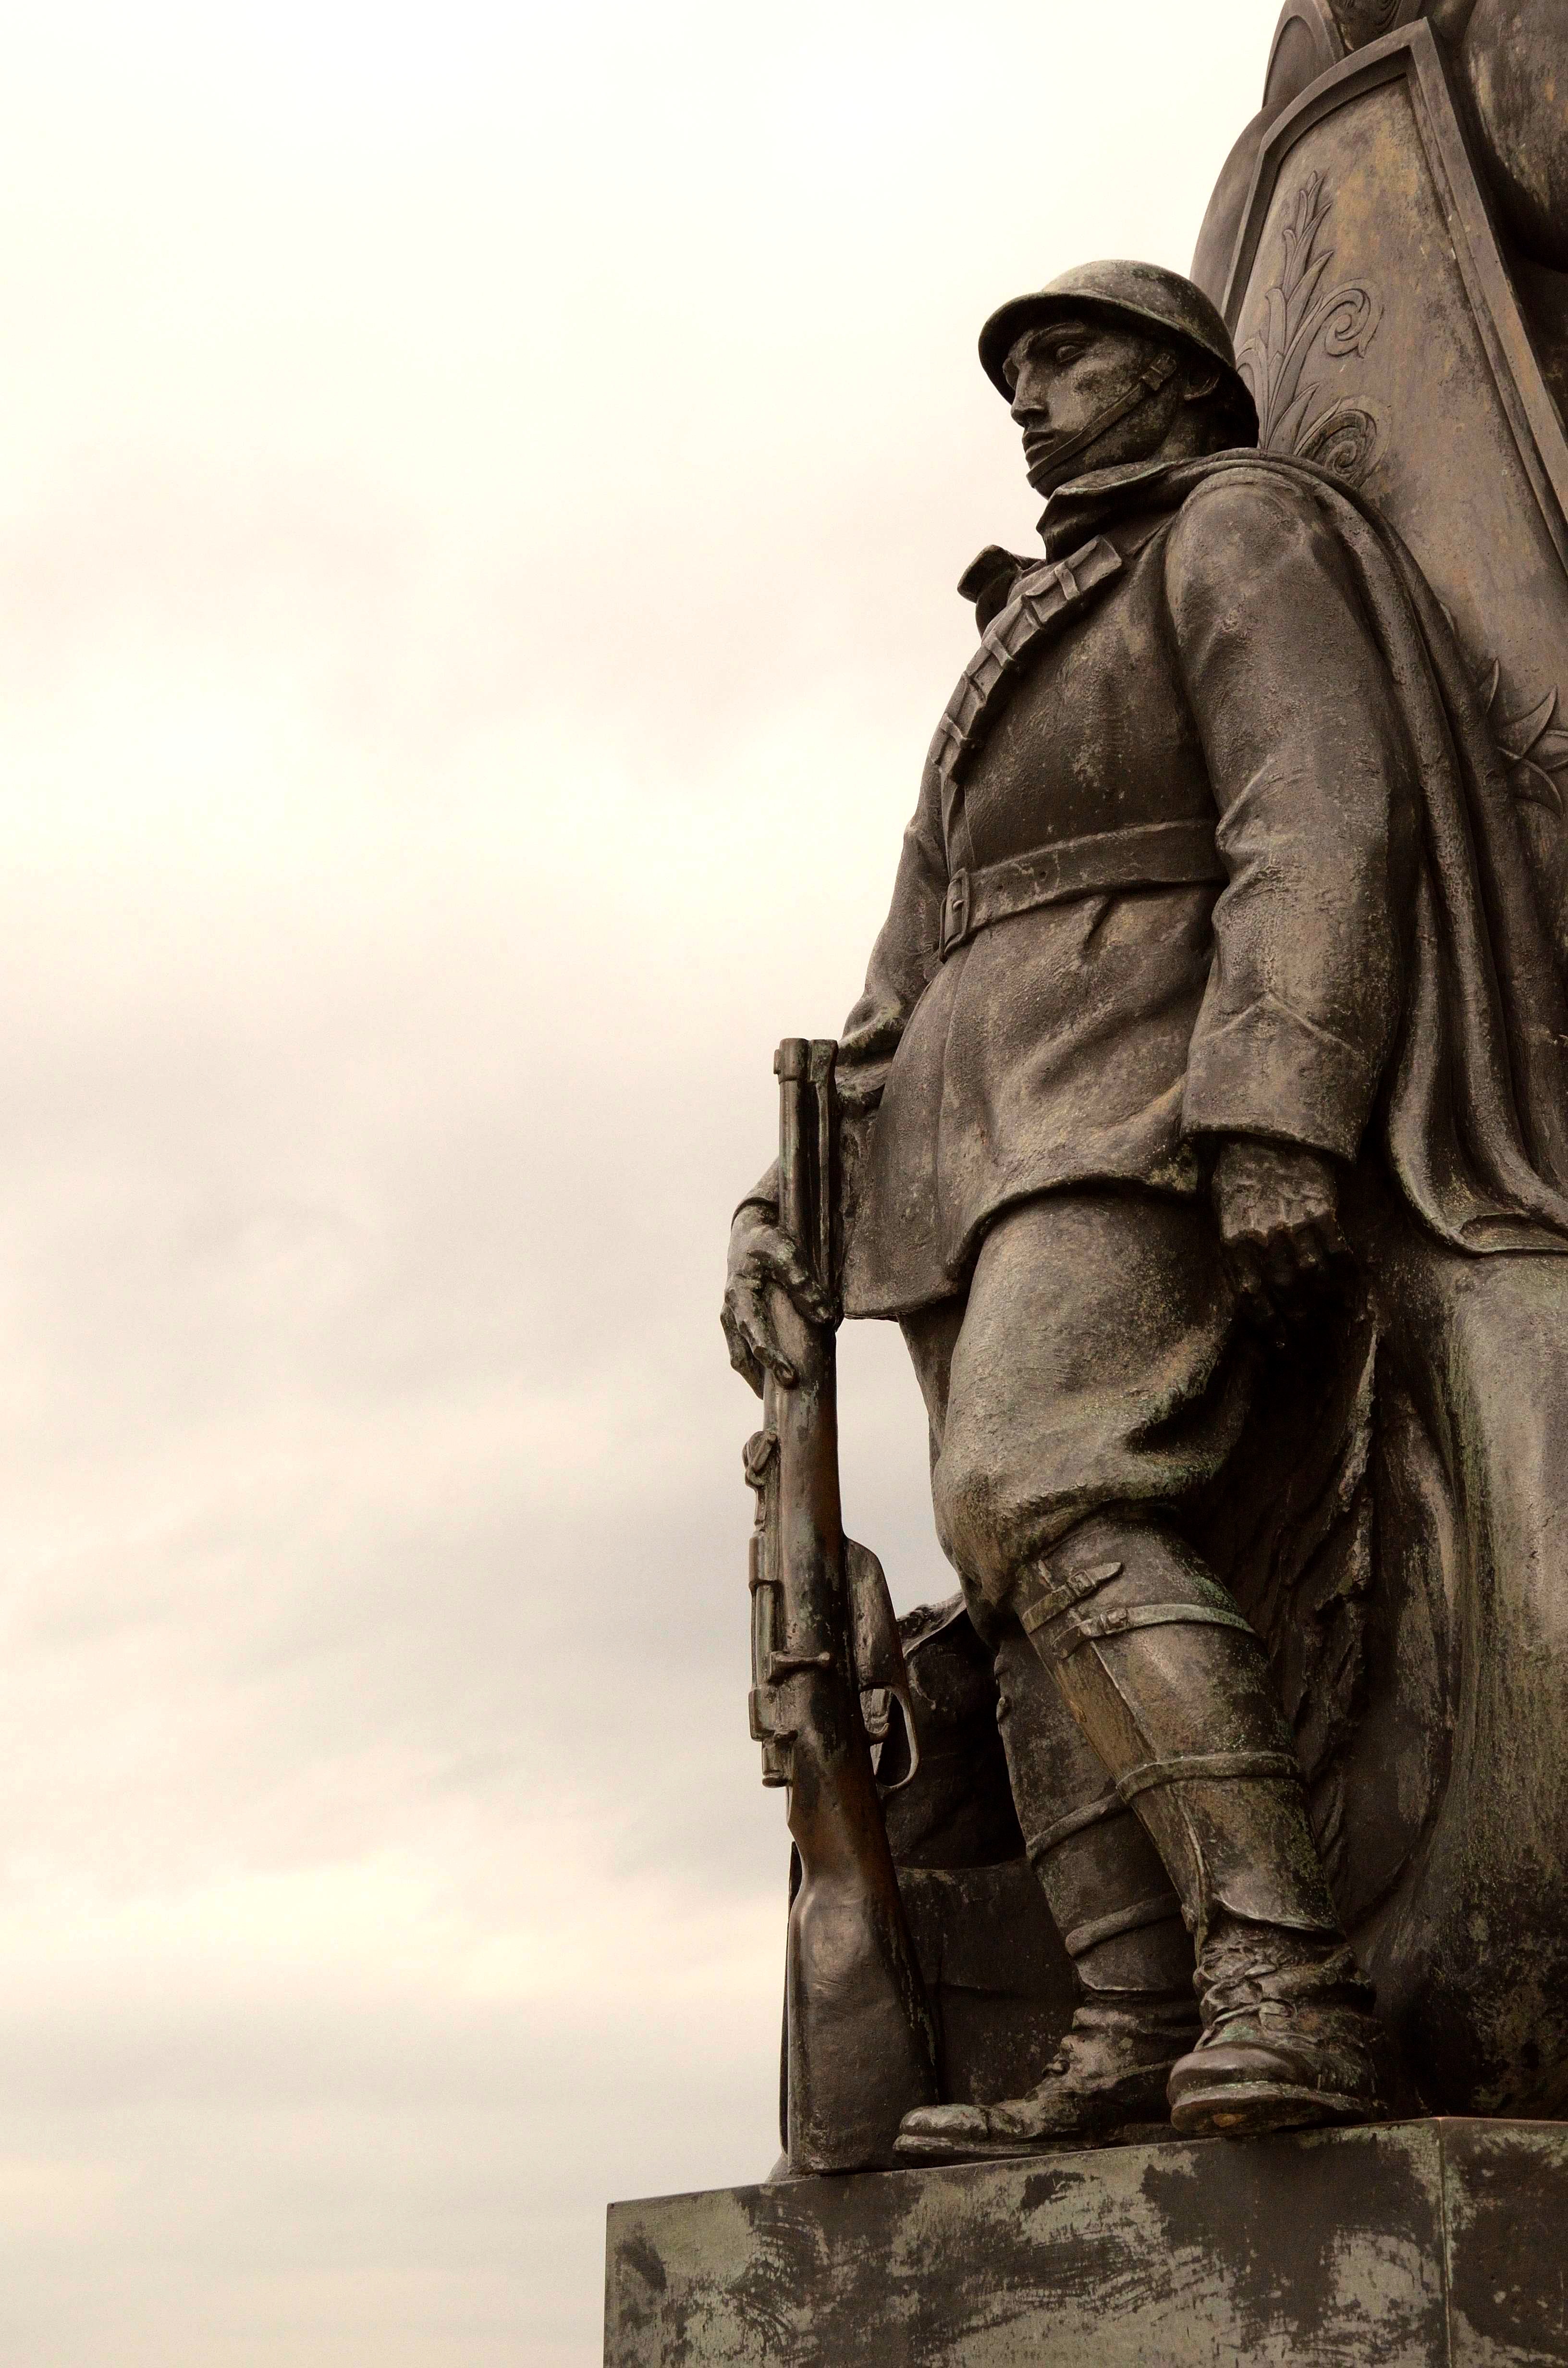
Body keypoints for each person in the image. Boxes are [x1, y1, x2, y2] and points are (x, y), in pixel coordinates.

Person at [721, 260, 1568, 2156]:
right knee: (1018, 1586)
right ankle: (1134, 2008)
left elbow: (1314, 804)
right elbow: (898, 973)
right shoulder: (1018, 632)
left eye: (1070, 356)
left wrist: (1280, 1108)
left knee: (1047, 1482)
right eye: (1014, 369)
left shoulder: (1239, 529)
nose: (1030, 395)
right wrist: (797, 1197)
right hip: (966, 1144)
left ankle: (1286, 1976)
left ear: (1187, 381)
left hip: (1139, 1087)